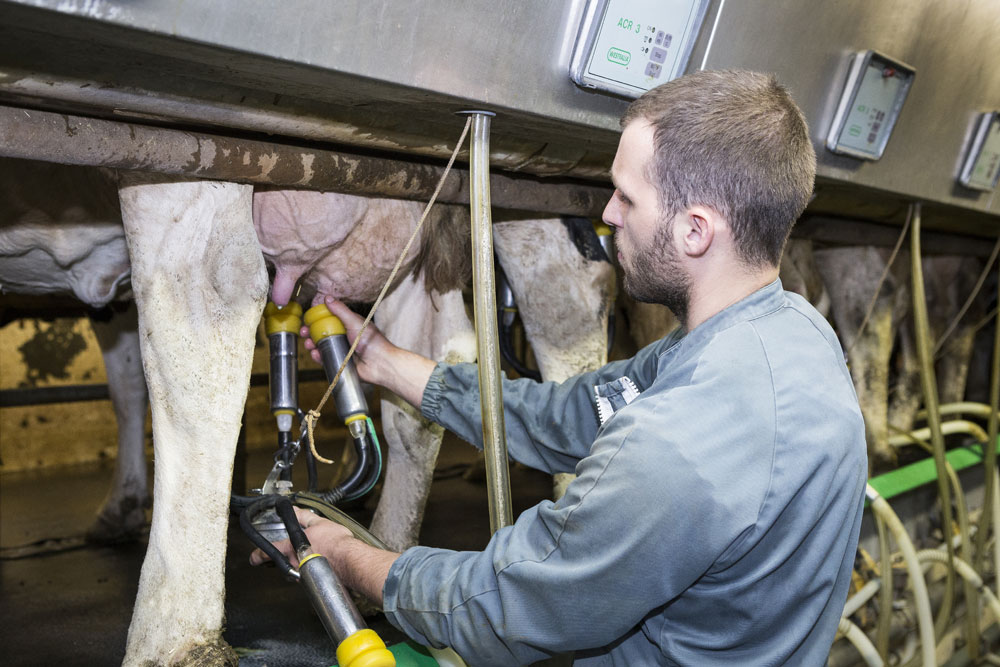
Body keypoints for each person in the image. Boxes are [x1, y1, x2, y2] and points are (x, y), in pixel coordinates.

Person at [251, 69, 868, 665]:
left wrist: (342, 552)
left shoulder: (677, 444)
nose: (608, 215)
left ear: (695, 231)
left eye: (627, 197)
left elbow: (504, 607)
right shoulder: (789, 335)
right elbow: (569, 416)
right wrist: (393, 367)